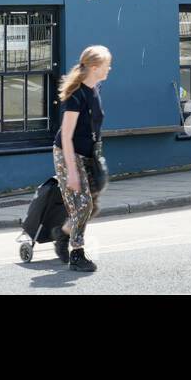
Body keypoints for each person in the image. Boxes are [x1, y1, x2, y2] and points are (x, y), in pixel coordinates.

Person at [53, 45, 112, 273]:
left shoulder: (94, 89)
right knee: (83, 204)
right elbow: (66, 136)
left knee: (92, 204)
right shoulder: (76, 95)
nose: (110, 69)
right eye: (107, 65)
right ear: (95, 67)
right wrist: (73, 172)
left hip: (89, 154)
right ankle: (77, 254)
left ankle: (63, 232)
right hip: (68, 153)